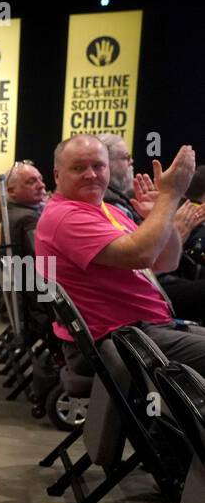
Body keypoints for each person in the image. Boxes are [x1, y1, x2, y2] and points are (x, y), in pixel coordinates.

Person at [36, 135, 205, 371]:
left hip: (147, 328)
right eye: (78, 168)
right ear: (57, 175)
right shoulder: (65, 216)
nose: (91, 174)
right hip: (123, 338)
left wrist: (160, 214)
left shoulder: (109, 211)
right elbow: (140, 255)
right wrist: (169, 196)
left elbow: (167, 262)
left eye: (98, 166)